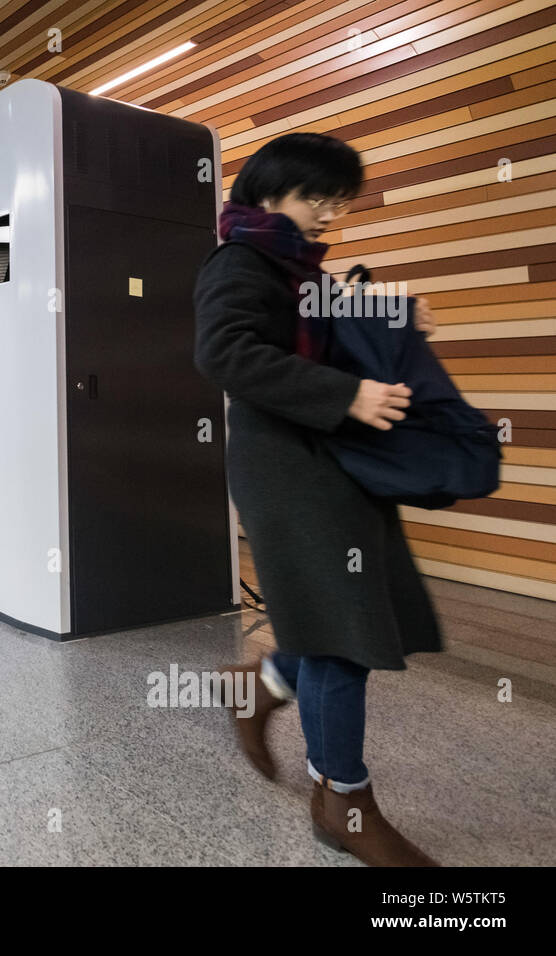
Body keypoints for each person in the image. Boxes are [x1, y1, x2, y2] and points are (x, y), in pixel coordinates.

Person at [193, 132, 442, 866]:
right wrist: (348, 393)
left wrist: (394, 322)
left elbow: (322, 336)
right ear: (267, 195)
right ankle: (344, 801)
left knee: (340, 618)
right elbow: (227, 353)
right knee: (343, 631)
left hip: (328, 466)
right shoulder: (239, 261)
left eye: (339, 200)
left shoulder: (296, 266)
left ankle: (262, 683)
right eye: (316, 197)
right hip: (289, 472)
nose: (330, 212)